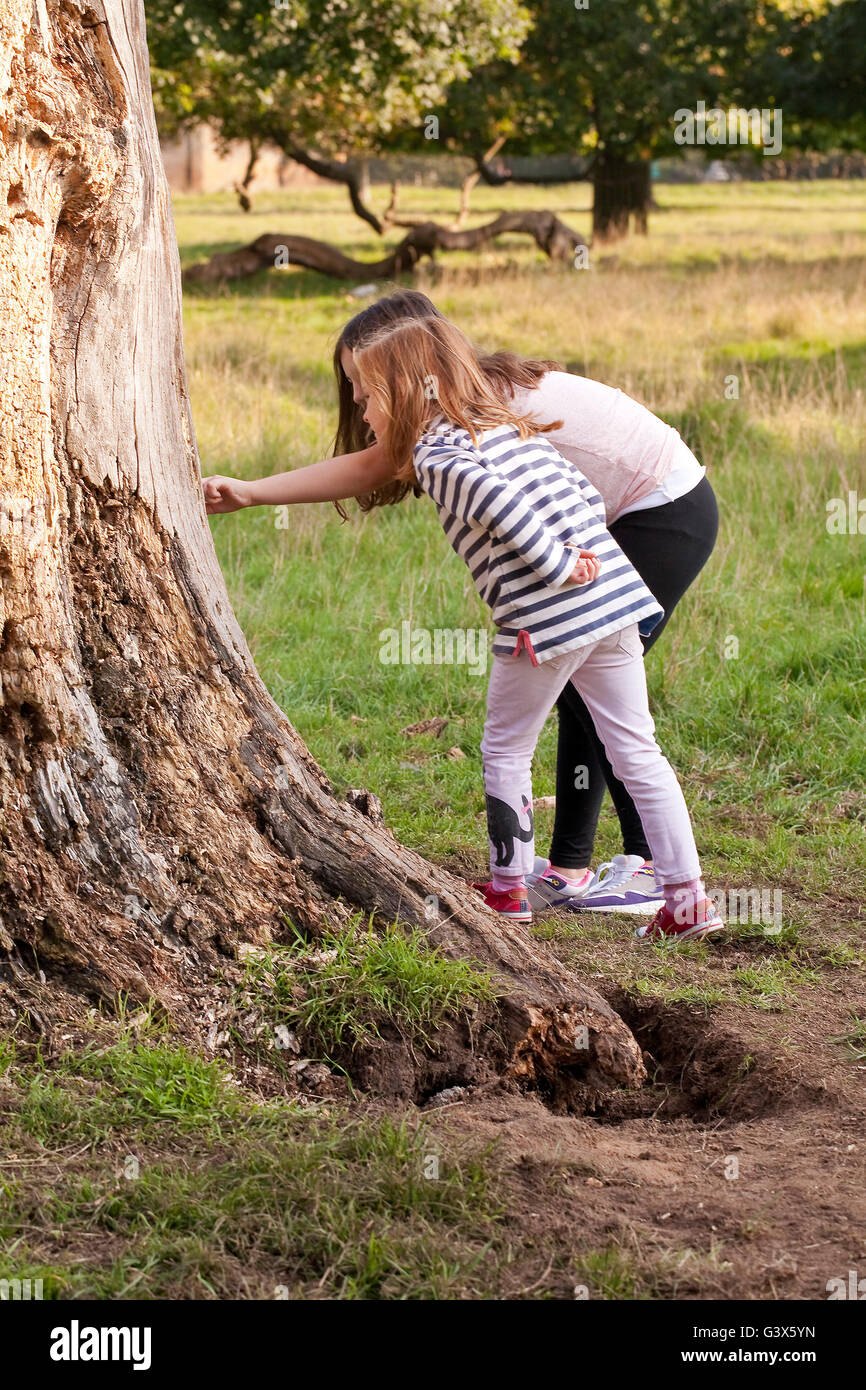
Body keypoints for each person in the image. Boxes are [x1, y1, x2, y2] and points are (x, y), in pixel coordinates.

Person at [204, 311, 721, 943]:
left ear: (405, 391)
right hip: (614, 599)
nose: (360, 409)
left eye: (367, 396)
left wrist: (557, 564)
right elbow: (584, 493)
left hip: (545, 619)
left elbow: (499, 506)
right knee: (638, 750)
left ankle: (509, 891)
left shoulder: (440, 454)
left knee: (505, 750)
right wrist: (583, 550)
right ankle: (687, 900)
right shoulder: (509, 426)